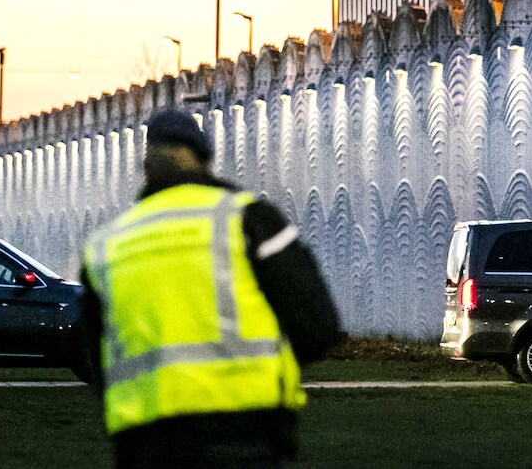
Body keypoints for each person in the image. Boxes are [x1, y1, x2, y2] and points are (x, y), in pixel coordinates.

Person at [80, 108, 341, 468]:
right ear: (207, 160)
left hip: (145, 447)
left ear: (146, 167)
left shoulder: (106, 248)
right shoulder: (248, 219)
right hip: (245, 437)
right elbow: (318, 325)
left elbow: (99, 361)